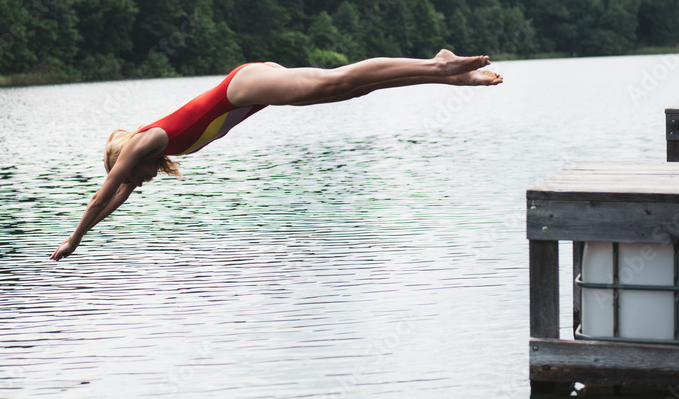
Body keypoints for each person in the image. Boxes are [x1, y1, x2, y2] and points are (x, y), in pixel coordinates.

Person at [49, 50, 502, 261]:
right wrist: (87, 238)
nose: (141, 181)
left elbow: (100, 197)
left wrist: (74, 238)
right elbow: (117, 199)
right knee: (348, 91)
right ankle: (443, 74)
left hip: (242, 87)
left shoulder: (143, 144)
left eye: (133, 175)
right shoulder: (148, 155)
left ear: (125, 158)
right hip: (251, 94)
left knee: (334, 80)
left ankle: (439, 66)